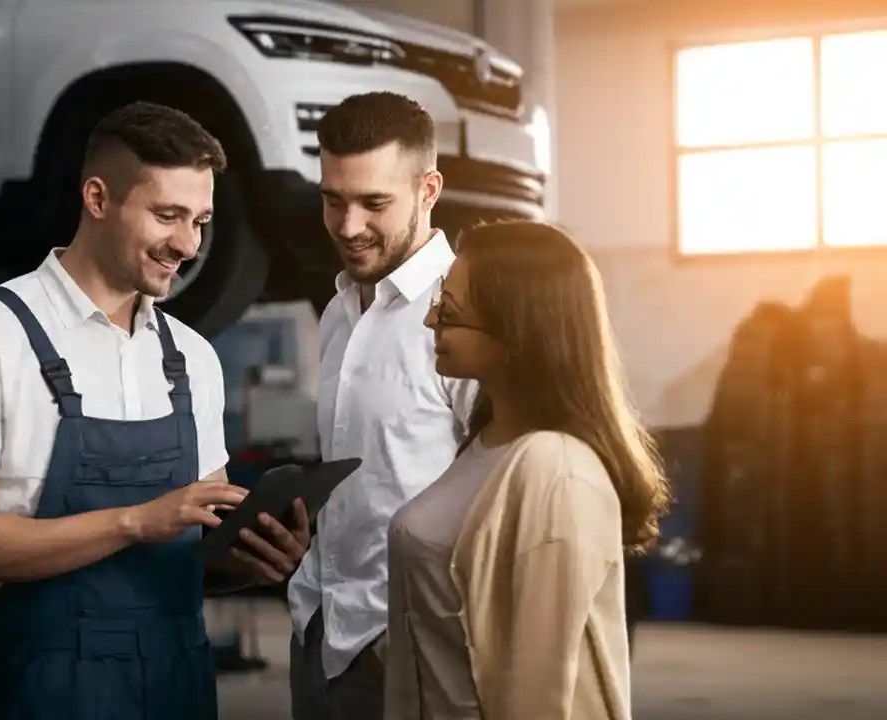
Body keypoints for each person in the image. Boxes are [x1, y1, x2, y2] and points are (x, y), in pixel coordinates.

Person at [0, 101, 309, 720]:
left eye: (200, 220)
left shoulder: (193, 358)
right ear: (97, 198)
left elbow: (194, 554)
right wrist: (134, 521)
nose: (188, 244)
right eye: (167, 215)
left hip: (180, 683)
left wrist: (255, 560)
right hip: (50, 690)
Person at [384, 220, 672, 719]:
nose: (430, 321)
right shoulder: (484, 446)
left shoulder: (556, 471)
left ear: (516, 329)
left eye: (449, 312)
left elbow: (537, 692)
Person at [286, 91, 478, 720]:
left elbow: (505, 499)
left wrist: (418, 636)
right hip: (319, 628)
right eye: (332, 199)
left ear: (428, 190)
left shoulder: (470, 314)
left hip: (411, 645)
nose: (347, 226)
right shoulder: (340, 312)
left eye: (374, 203)